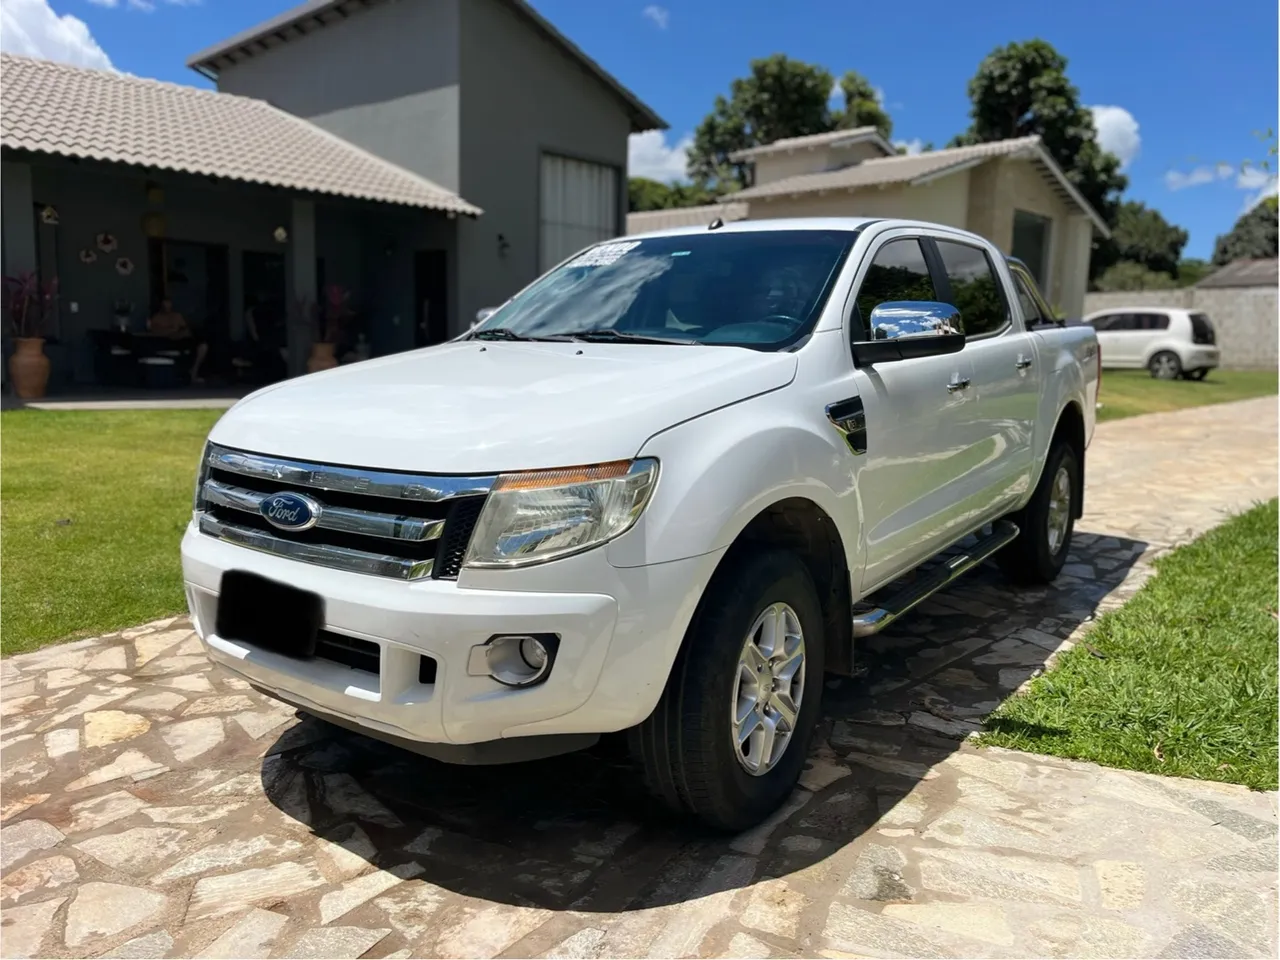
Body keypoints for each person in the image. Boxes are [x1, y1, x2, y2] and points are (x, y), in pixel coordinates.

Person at [147, 299, 208, 384]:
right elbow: (154, 332)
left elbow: (185, 330)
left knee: (202, 347)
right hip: (165, 343)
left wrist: (179, 333)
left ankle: (193, 373)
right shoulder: (156, 318)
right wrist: (170, 331)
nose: (167, 307)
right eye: (165, 305)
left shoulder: (177, 316)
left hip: (181, 340)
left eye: (169, 304)